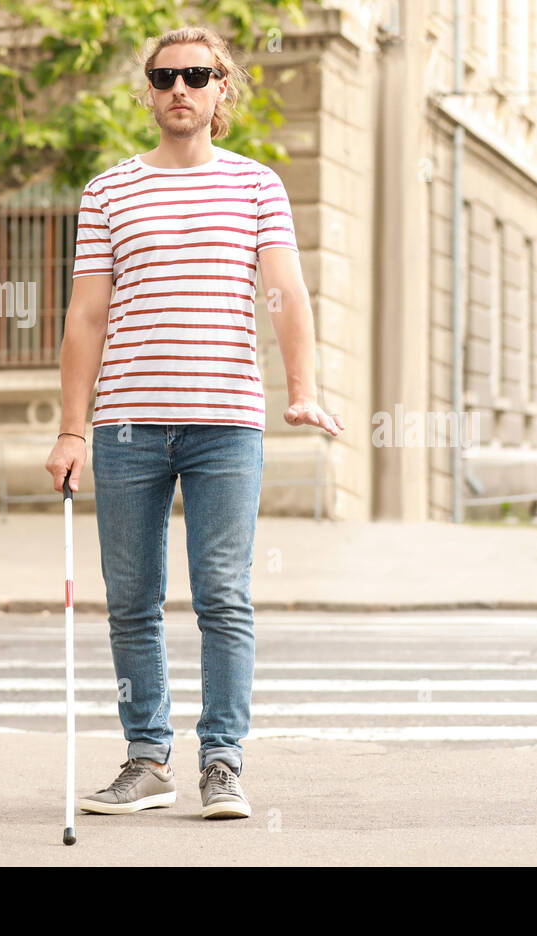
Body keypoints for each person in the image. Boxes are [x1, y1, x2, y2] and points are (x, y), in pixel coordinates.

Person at [44, 26, 344, 820]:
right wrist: (72, 430)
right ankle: (148, 761)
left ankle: (222, 763)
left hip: (226, 424)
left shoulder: (256, 186)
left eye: (198, 75)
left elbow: (285, 292)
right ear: (148, 92)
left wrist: (302, 388)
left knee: (223, 597)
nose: (181, 87)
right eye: (165, 76)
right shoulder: (107, 192)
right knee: (131, 601)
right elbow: (86, 316)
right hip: (127, 425)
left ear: (221, 89)